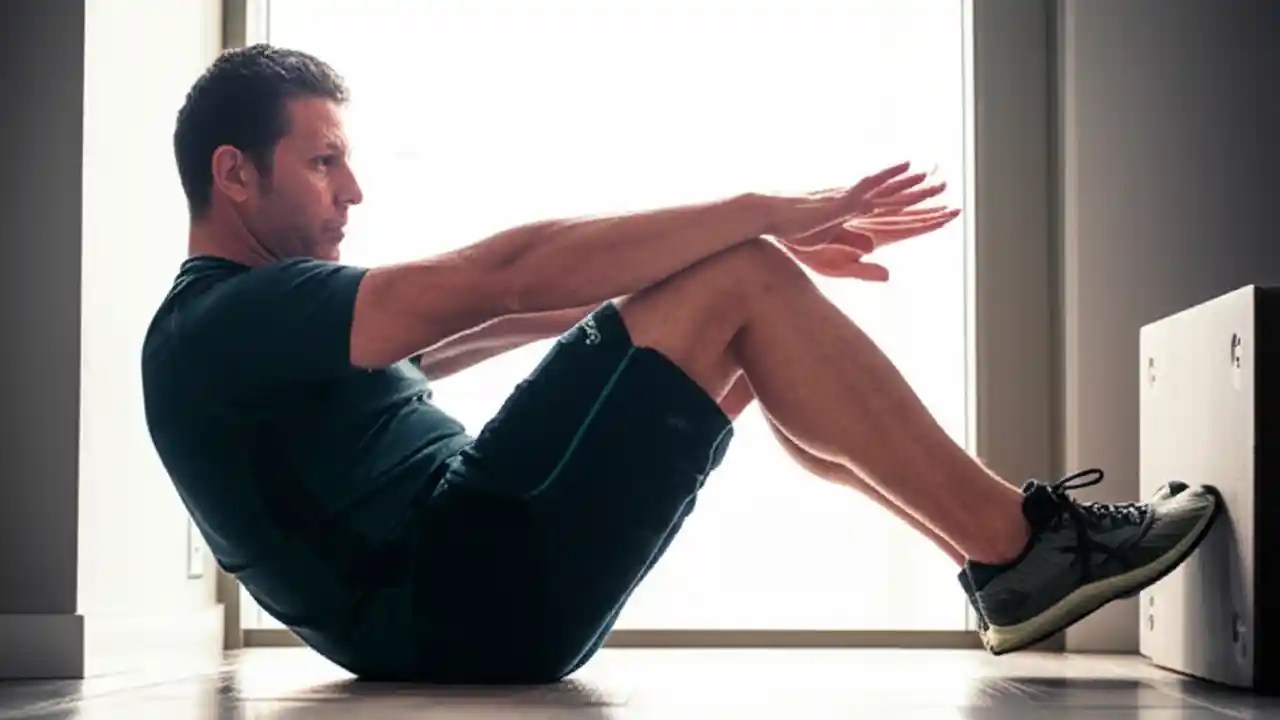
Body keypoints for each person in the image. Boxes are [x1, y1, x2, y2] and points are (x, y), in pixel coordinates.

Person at [142, 44, 1221, 683]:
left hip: (463, 599)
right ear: (233, 175)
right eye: (323, 160)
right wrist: (761, 217)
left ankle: (1000, 563)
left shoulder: (240, 338)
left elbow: (488, 329)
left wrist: (745, 265)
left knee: (737, 316)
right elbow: (504, 273)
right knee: (735, 283)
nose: (353, 191)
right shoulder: (231, 319)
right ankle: (1023, 544)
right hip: (463, 593)